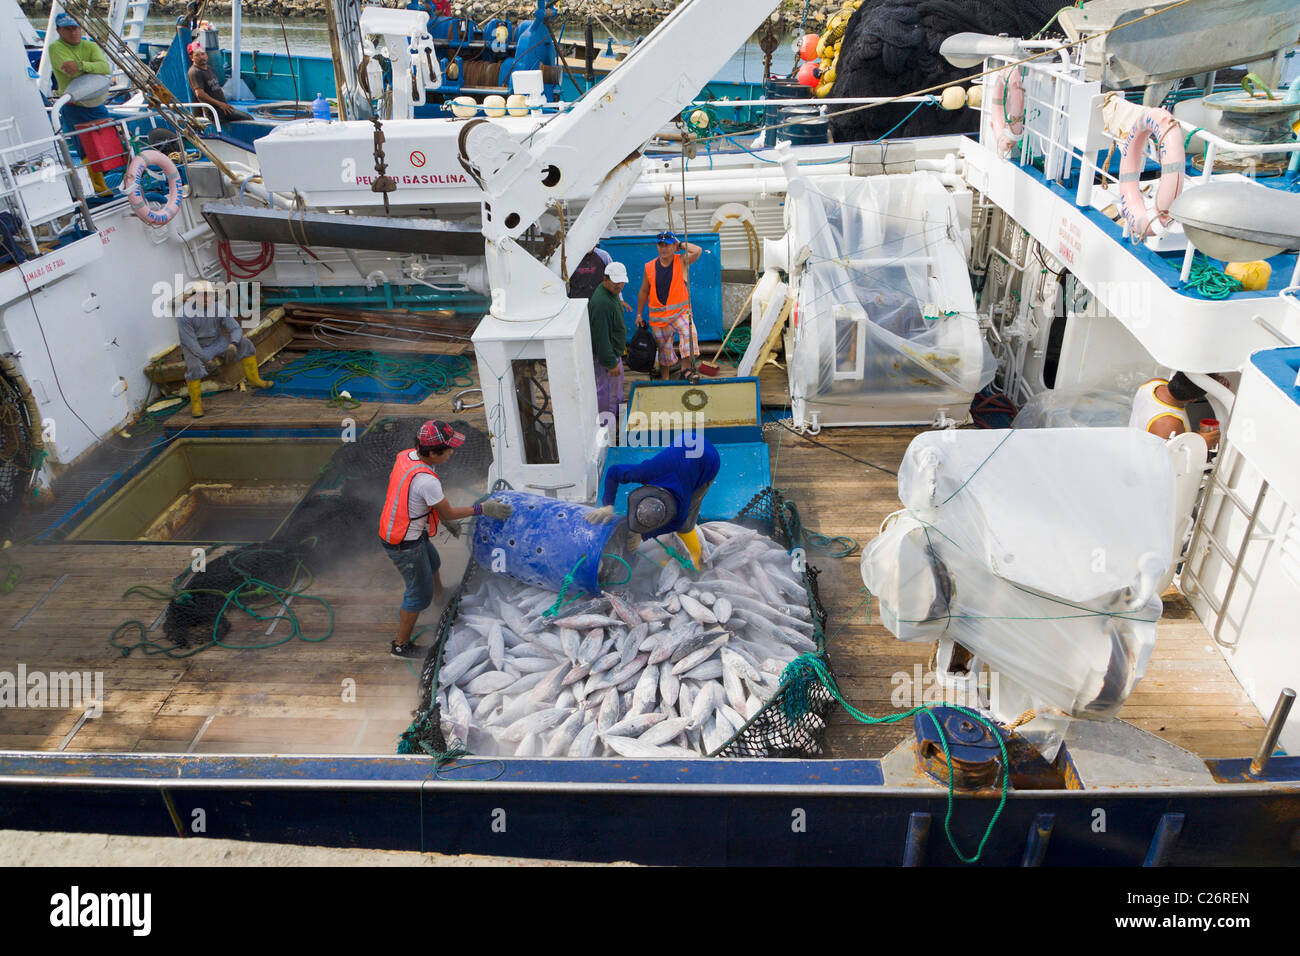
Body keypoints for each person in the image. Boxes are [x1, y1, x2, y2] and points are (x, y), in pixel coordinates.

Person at [379, 421, 513, 658]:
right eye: (448, 449)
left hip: (403, 527)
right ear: (431, 453)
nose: (452, 452)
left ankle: (439, 596)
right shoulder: (427, 481)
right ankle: (401, 645)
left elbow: (415, 498)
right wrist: (483, 508)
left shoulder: (407, 456)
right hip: (403, 542)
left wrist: (442, 519)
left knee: (433, 561)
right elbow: (448, 512)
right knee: (417, 593)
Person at [585, 434, 720, 568]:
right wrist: (608, 505)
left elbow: (677, 525)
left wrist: (644, 534)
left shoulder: (682, 507)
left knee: (686, 525)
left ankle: (694, 559)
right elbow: (613, 472)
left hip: (709, 461)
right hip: (687, 441)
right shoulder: (646, 471)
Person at [175, 279, 273, 417]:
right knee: (195, 367)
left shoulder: (218, 307)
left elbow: (235, 328)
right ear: (194, 296)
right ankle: (196, 405)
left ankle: (254, 380)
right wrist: (206, 359)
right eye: (201, 294)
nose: (205, 298)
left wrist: (233, 344)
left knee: (246, 344)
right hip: (195, 347)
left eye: (208, 294)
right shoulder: (183, 314)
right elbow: (190, 342)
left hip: (217, 340)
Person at [46, 13, 116, 196]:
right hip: (74, 105)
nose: (74, 32)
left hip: (96, 103)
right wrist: (92, 68)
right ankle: (98, 188)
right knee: (86, 147)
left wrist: (81, 66)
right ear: (58, 30)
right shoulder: (56, 48)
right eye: (68, 29)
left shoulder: (90, 45)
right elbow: (70, 73)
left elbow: (105, 68)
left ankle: (107, 176)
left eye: (76, 27)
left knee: (108, 139)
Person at [636, 231, 702, 380]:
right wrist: (639, 314)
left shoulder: (682, 260)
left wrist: (680, 244)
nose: (663, 248)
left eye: (667, 245)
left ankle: (685, 370)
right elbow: (644, 290)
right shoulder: (649, 267)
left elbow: (697, 250)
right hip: (658, 318)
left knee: (689, 334)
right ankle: (665, 379)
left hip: (680, 313)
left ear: (673, 246)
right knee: (664, 350)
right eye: (660, 245)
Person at [1129, 372, 1224, 449]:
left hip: (1135, 444)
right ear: (1194, 399)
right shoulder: (1169, 424)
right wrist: (1202, 443)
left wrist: (1214, 381)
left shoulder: (1155, 383)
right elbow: (1171, 463)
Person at [589, 260, 628, 432]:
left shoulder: (611, 293)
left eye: (622, 282)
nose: (619, 285)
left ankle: (615, 413)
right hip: (607, 357)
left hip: (614, 353)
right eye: (615, 281)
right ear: (605, 279)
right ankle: (606, 426)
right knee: (605, 391)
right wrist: (610, 362)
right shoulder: (601, 303)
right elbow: (601, 336)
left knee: (614, 389)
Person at [187, 43, 254, 123]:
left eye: (203, 54)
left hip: (222, 108)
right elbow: (199, 94)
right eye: (197, 55)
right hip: (215, 111)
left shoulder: (208, 68)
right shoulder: (194, 72)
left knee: (247, 117)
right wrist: (220, 104)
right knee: (248, 118)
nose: (201, 57)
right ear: (191, 57)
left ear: (206, 55)